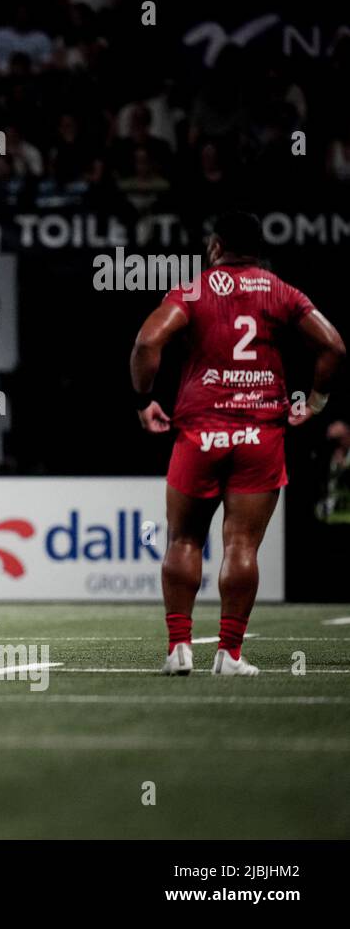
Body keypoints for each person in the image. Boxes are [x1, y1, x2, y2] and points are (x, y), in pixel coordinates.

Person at [131, 211, 345, 676]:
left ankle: (178, 649)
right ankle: (228, 655)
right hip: (259, 434)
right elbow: (334, 347)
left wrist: (146, 400)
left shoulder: (194, 290)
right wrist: (316, 403)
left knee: (183, 539)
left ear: (215, 246)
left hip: (200, 433)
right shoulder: (281, 291)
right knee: (242, 545)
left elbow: (148, 343)